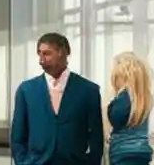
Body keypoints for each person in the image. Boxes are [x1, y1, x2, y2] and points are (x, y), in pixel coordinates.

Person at [10, 32, 103, 165]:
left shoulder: (89, 91)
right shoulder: (26, 90)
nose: (41, 60)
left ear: (62, 52)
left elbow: (96, 137)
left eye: (47, 54)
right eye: (39, 54)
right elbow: (17, 136)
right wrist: (23, 162)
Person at [107, 52, 154, 165]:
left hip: (123, 154)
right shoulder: (145, 99)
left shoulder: (122, 100)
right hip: (142, 152)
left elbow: (115, 117)